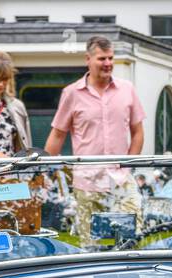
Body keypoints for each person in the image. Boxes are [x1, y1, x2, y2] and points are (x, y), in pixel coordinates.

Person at [44, 36, 146, 244]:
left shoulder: (127, 89)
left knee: (131, 238)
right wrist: (45, 171)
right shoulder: (71, 93)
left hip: (121, 179)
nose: (108, 64)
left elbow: (138, 131)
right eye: (102, 59)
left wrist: (129, 165)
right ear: (88, 59)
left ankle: (129, 273)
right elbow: (58, 134)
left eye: (111, 58)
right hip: (87, 182)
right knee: (90, 246)